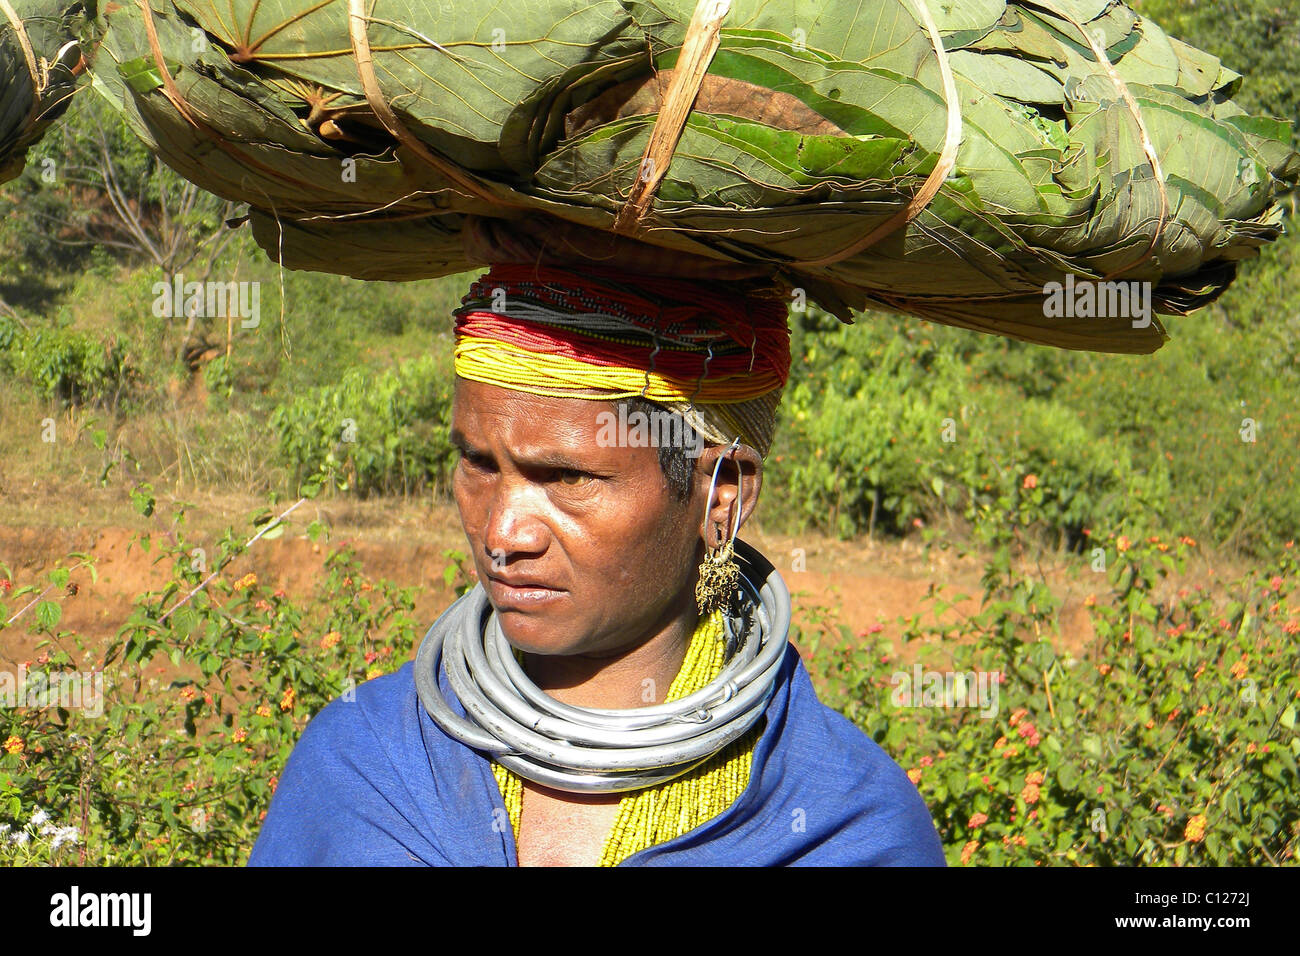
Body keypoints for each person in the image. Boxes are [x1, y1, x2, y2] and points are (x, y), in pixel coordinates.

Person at [248, 259, 945, 867]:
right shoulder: (365, 765)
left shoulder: (840, 830)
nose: (502, 531)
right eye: (477, 464)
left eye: (568, 477)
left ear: (720, 495)